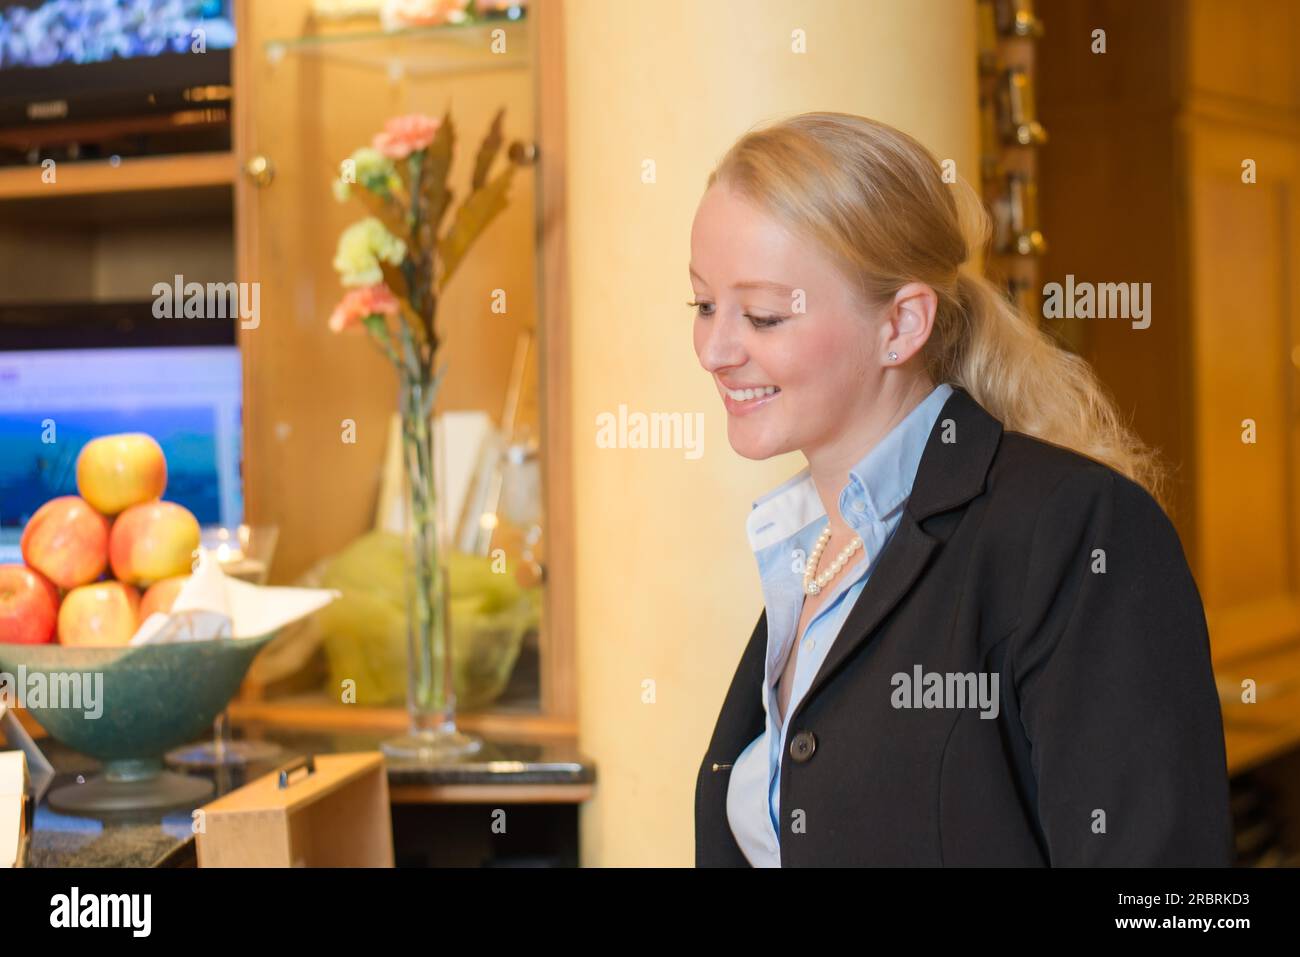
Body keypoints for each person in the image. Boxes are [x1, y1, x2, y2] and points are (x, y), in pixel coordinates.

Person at [690, 111, 1233, 867]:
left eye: (764, 314)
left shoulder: (1077, 529)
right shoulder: (806, 548)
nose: (715, 349)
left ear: (903, 324)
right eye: (704, 305)